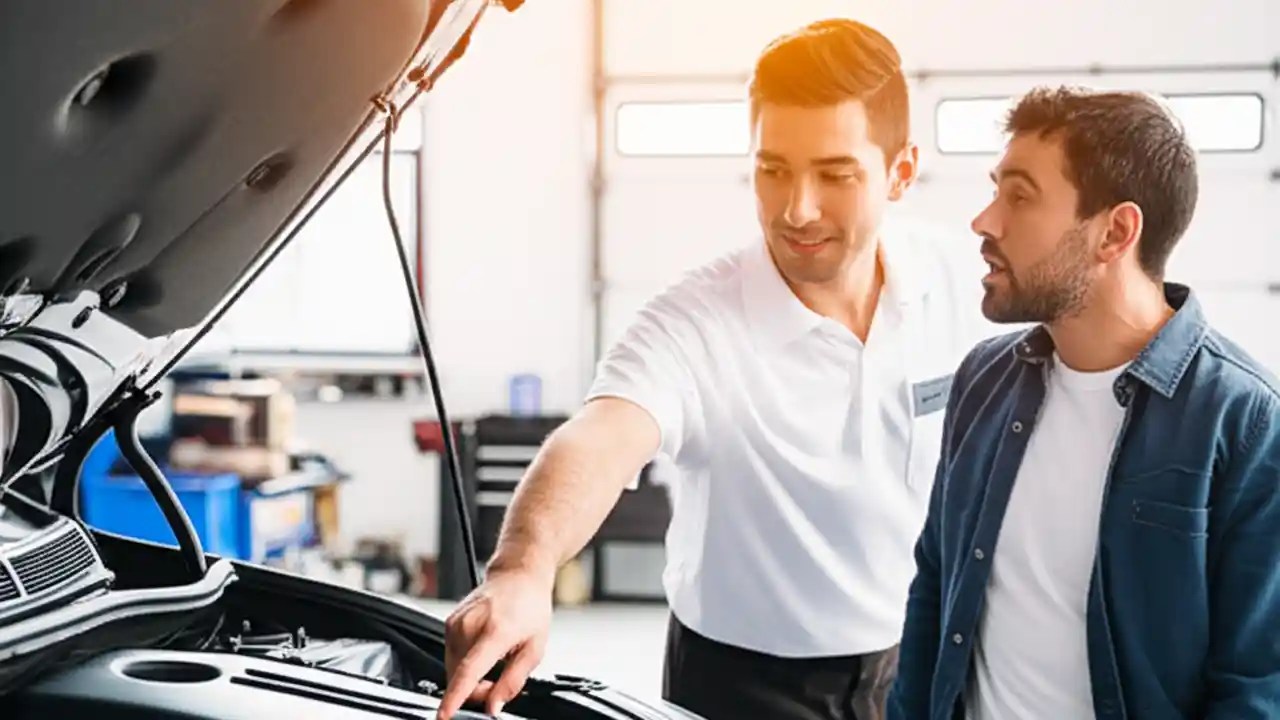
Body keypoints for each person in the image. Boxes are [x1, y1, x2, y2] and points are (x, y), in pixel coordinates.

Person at [439, 18, 993, 720]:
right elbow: (599, 442)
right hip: (740, 687)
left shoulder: (960, 284)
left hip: (908, 665)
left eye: (835, 174)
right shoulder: (694, 321)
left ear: (901, 173)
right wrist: (522, 568)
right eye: (773, 170)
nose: (798, 208)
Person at [888, 85, 1280, 720]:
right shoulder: (982, 381)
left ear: (1115, 232)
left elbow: (1255, 687)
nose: (985, 222)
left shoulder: (1245, 422)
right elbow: (934, 586)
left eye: (1020, 196)